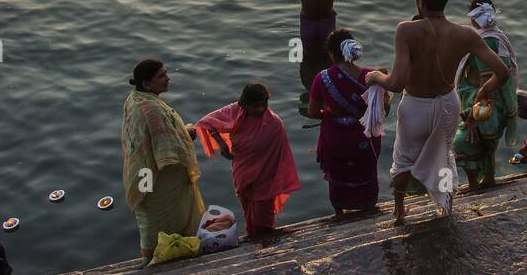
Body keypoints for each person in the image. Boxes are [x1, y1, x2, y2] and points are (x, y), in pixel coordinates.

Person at [366, 0, 510, 226]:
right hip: (447, 104)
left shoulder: (406, 30)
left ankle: (399, 213)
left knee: (403, 161)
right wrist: (483, 92)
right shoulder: (465, 34)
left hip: (415, 107)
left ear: (420, 2)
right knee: (444, 156)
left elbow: (397, 83)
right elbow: (503, 72)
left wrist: (376, 76)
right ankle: (445, 208)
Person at [121, 59, 205, 259]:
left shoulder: (133, 99)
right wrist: (188, 134)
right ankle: (161, 259)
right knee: (162, 217)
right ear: (146, 84)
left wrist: (182, 132)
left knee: (147, 212)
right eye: (161, 76)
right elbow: (167, 148)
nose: (168, 78)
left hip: (142, 171)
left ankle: (151, 258)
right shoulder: (153, 109)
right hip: (160, 175)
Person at [192, 83, 300, 238]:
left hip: (266, 179)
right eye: (256, 106)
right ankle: (254, 240)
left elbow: (279, 158)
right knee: (249, 214)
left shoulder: (273, 124)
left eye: (264, 104)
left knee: (263, 222)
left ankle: (264, 247)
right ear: (245, 105)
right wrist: (222, 145)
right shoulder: (235, 112)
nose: (261, 109)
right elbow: (208, 122)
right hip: (243, 173)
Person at [308, 29, 385, 215]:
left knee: (338, 178)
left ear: (333, 53)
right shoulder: (371, 76)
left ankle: (339, 214)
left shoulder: (322, 78)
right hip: (364, 139)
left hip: (336, 140)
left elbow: (312, 112)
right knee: (366, 174)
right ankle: (368, 208)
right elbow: (383, 111)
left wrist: (328, 114)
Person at [453, 0, 520, 192]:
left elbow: (488, 78)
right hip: (499, 103)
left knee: (464, 142)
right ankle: (489, 177)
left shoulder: (485, 40)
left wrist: (473, 113)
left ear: (473, 18)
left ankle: (474, 184)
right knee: (485, 144)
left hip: (485, 103)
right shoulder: (498, 36)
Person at [297, 0, 340, 102]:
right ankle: (326, 83)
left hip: (308, 22)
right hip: (327, 21)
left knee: (308, 56)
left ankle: (310, 85)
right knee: (328, 54)